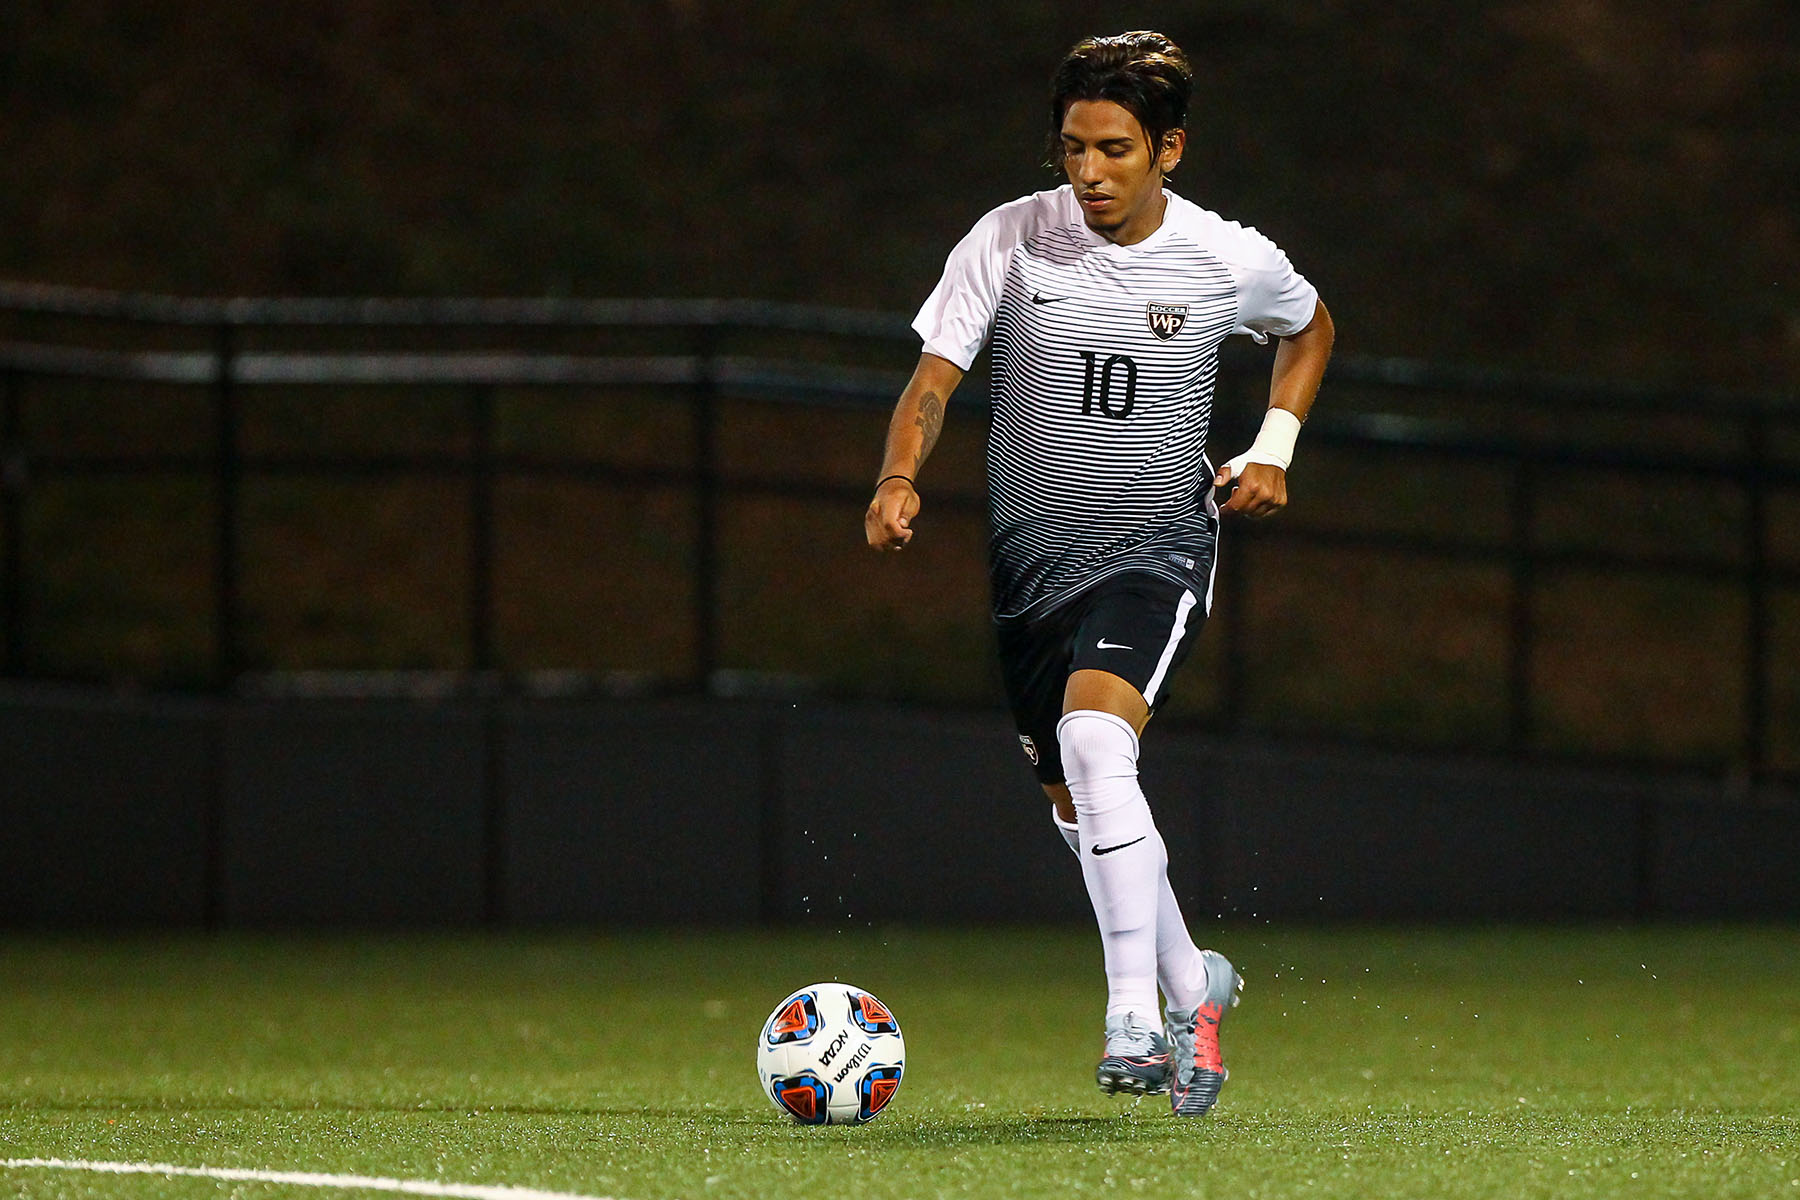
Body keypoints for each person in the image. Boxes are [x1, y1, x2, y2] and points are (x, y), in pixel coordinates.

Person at [864, 31, 1334, 1117]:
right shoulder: (1011, 239)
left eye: (1115, 149)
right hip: (1031, 570)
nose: (1088, 172)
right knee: (1084, 809)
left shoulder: (1226, 258)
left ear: (1169, 148)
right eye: (1073, 147)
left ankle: (1133, 1017)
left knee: (1094, 740)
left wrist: (1273, 450)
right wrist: (897, 477)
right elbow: (934, 374)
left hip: (1156, 551)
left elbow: (1308, 332)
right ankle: (1188, 982)